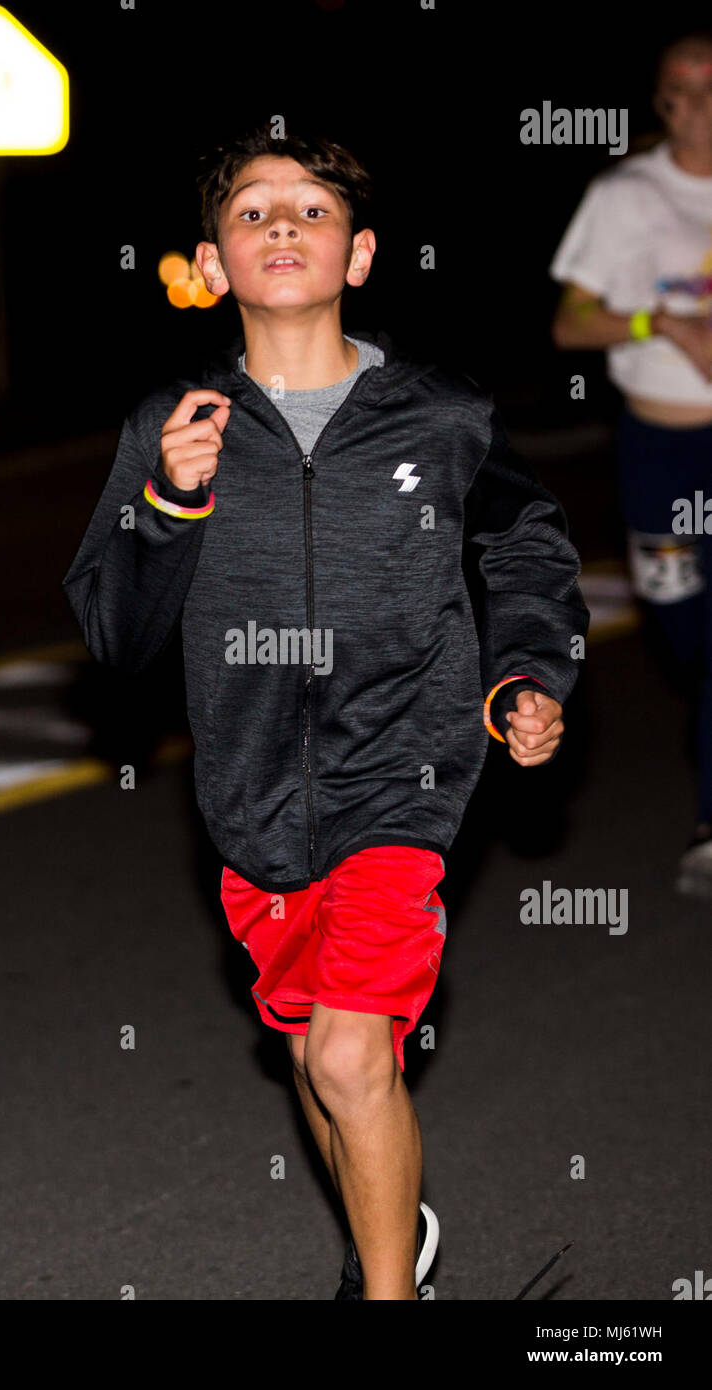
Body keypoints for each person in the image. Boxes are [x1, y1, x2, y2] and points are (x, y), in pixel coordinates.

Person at [62, 121, 589, 1300]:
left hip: (403, 773)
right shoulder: (173, 426)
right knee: (313, 1054)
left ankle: (391, 1295)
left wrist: (523, 675)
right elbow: (115, 635)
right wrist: (166, 504)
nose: (282, 226)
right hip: (250, 794)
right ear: (210, 263)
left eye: (311, 209)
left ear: (357, 258)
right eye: (251, 212)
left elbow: (522, 544)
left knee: (354, 1052)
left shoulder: (441, 416)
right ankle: (395, 1229)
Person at [549, 30, 712, 900]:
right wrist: (663, 324)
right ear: (662, 103)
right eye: (683, 86)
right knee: (683, 634)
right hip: (663, 450)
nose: (701, 99)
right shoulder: (626, 196)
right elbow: (572, 324)